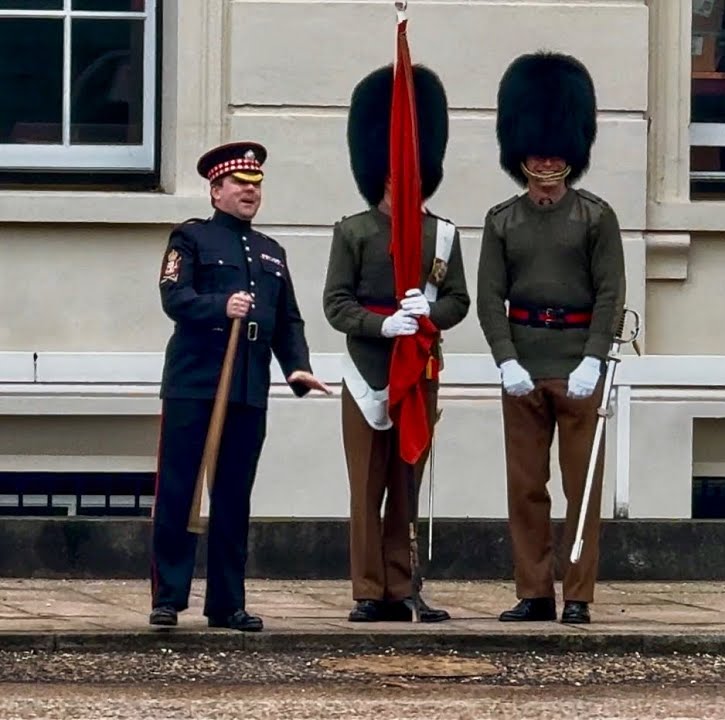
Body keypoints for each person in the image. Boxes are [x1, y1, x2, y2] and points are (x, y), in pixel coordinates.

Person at [150, 141, 331, 631]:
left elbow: (287, 320)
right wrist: (218, 306)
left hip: (247, 384)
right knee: (179, 490)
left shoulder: (272, 252)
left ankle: (227, 602)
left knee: (234, 495)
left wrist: (297, 367)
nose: (250, 192)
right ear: (216, 191)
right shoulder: (190, 238)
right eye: (239, 184)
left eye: (256, 185)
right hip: (195, 380)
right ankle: (168, 597)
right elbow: (174, 296)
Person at [476, 50, 626, 625]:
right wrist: (504, 359)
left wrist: (593, 358)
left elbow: (611, 293)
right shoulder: (502, 220)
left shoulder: (595, 217)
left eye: (554, 152)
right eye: (534, 153)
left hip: (578, 362)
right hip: (525, 362)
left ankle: (579, 595)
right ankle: (534, 590)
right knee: (526, 488)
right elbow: (491, 296)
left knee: (581, 490)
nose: (544, 162)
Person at [322, 62, 469, 623]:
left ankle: (404, 585)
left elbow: (457, 301)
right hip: (367, 369)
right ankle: (367, 587)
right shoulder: (353, 231)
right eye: (389, 172)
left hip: (419, 368)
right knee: (366, 486)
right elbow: (336, 303)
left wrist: (427, 314)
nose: (398, 179)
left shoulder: (444, 234)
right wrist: (381, 325)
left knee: (408, 480)